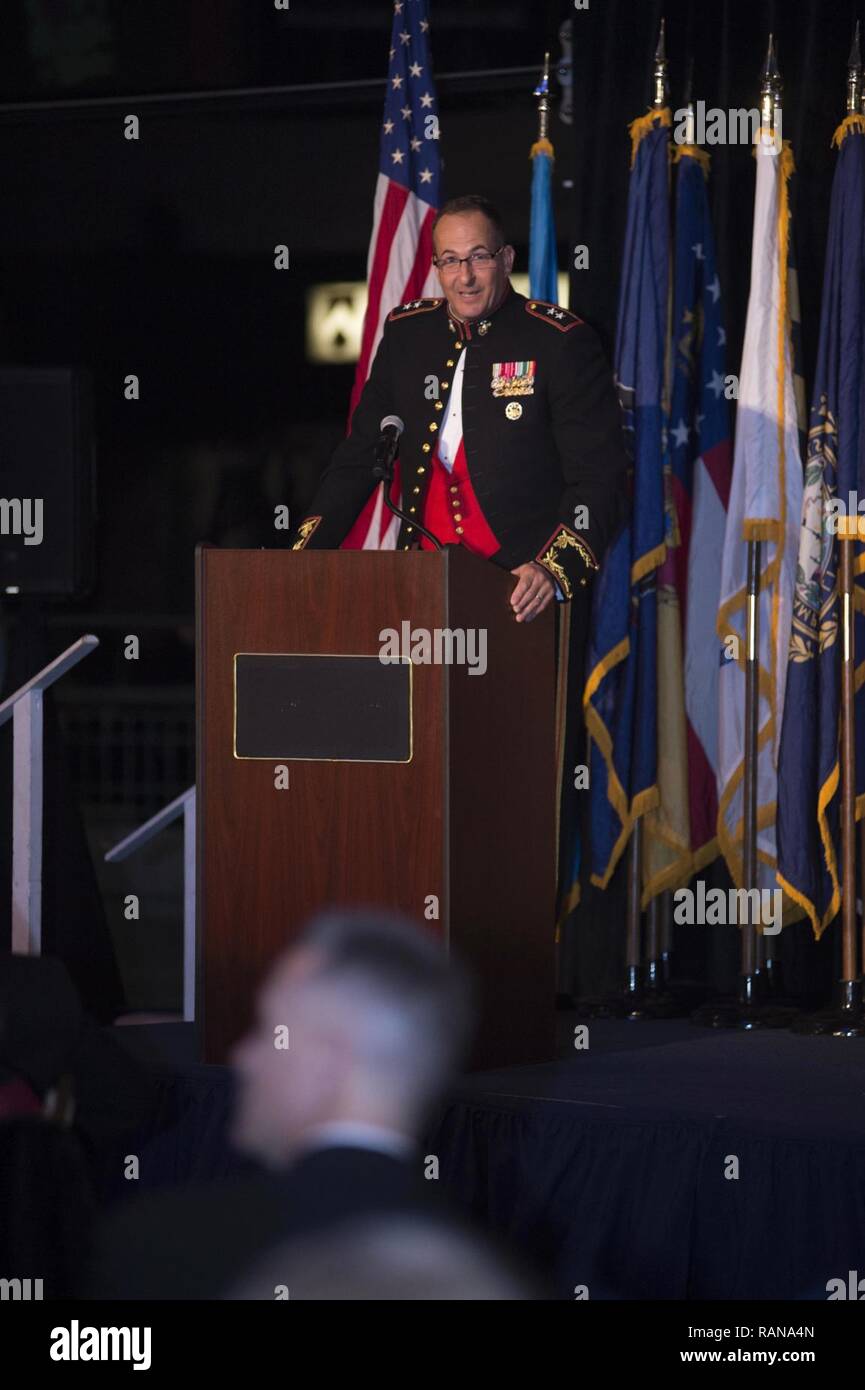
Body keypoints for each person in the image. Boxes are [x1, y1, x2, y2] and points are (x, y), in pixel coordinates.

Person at [87, 909, 476, 1299]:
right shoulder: (493, 1275)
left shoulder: (159, 1251)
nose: (243, 1056)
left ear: (327, 1063)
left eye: (268, 1030)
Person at [289, 193, 628, 623]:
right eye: (449, 260)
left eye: (478, 257)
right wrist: (299, 558)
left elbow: (601, 479)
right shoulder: (407, 335)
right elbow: (357, 459)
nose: (464, 276)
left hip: (520, 597)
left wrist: (550, 570)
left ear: (506, 260)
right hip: (419, 586)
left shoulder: (558, 341)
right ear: (435, 267)